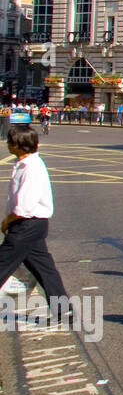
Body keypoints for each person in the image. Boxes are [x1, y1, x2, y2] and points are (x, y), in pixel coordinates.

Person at [0, 126, 70, 324]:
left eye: (9, 142)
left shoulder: (32, 168)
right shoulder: (23, 164)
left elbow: (24, 206)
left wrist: (7, 221)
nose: (7, 145)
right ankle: (63, 309)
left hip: (26, 225)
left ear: (19, 145)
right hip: (32, 225)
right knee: (44, 268)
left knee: (3, 262)